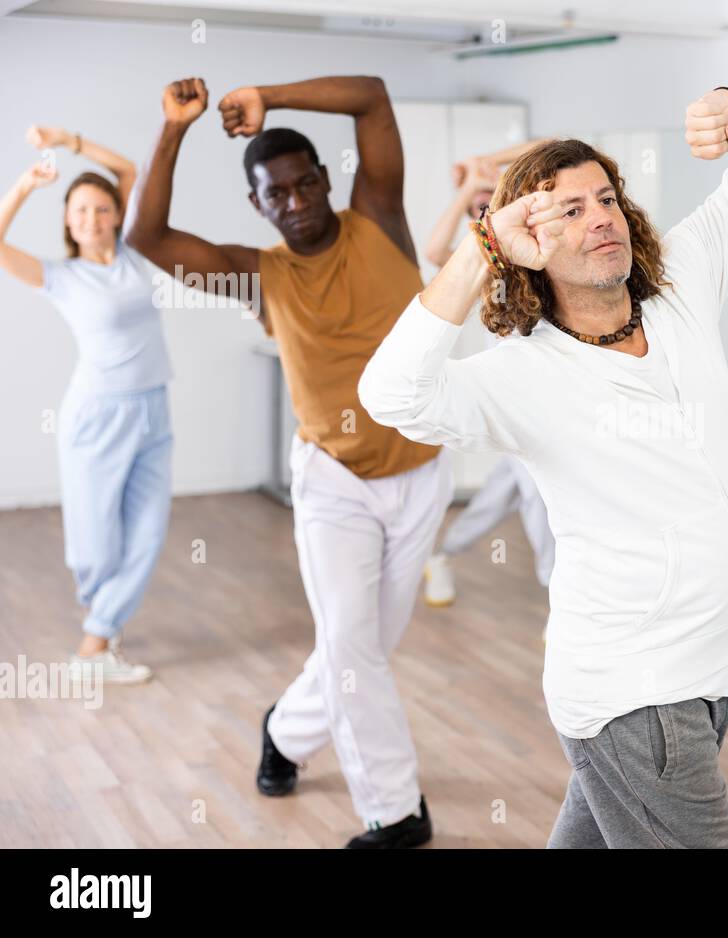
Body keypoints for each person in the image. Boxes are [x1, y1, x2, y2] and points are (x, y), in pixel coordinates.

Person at [360, 86, 728, 848]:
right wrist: (481, 247)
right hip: (637, 694)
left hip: (707, 673)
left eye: (605, 198)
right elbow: (389, 394)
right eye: (568, 210)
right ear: (527, 243)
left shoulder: (681, 290)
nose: (600, 216)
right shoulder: (521, 375)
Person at [126, 75, 454, 848]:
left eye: (307, 182)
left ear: (327, 181)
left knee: (363, 647)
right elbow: (147, 237)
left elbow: (375, 95)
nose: (298, 200)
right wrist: (174, 128)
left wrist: (269, 95)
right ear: (259, 206)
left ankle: (284, 727)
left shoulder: (380, 219)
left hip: (420, 473)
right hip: (334, 483)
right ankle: (396, 812)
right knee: (349, 646)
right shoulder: (257, 274)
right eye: (279, 193)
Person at [0, 125, 167, 684]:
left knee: (147, 533)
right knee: (95, 543)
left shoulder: (135, 255)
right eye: (79, 211)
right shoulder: (60, 276)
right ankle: (99, 637)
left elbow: (127, 173)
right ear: (67, 220)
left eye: (100, 209)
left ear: (116, 215)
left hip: (154, 409)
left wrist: (70, 142)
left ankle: (95, 645)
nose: (91, 219)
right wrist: (25, 185)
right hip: (96, 418)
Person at [420, 143, 556, 606]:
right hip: (513, 404)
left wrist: (490, 164)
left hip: (548, 398)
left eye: (491, 201)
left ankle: (442, 555)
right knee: (536, 497)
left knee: (504, 493)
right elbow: (434, 249)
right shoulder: (476, 264)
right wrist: (465, 193)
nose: (484, 210)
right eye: (476, 209)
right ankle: (556, 594)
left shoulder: (535, 248)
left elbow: (549, 144)